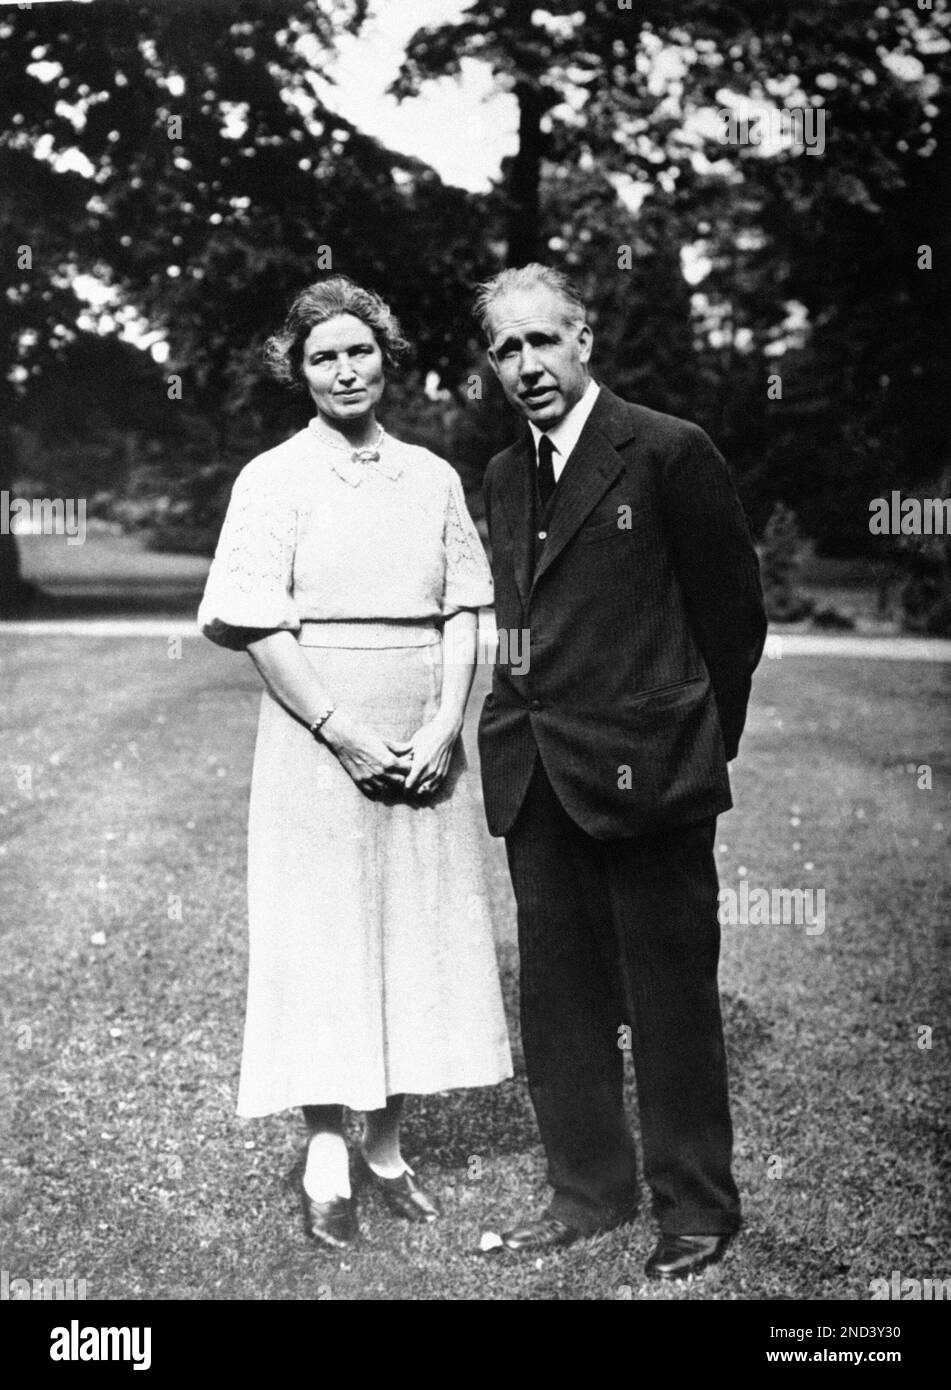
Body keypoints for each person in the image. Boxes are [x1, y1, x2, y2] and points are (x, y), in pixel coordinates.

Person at [198, 276, 512, 1250]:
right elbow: (254, 620)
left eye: (359, 350)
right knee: (324, 935)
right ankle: (327, 1151)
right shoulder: (273, 478)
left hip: (424, 744)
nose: (344, 369)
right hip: (317, 746)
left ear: (387, 358)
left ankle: (388, 1146)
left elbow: (468, 607)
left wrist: (448, 723)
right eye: (323, 355)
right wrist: (342, 729)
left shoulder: (432, 476)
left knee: (413, 933)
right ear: (298, 370)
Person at [475, 264, 767, 1280]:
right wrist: (510, 718)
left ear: (583, 338)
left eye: (541, 341)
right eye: (506, 349)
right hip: (539, 776)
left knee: (669, 994)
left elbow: (734, 618)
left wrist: (689, 741)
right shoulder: (507, 475)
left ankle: (695, 1207)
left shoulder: (670, 450)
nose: (526, 366)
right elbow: (521, 619)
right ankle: (587, 1192)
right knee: (560, 1000)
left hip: (652, 778)